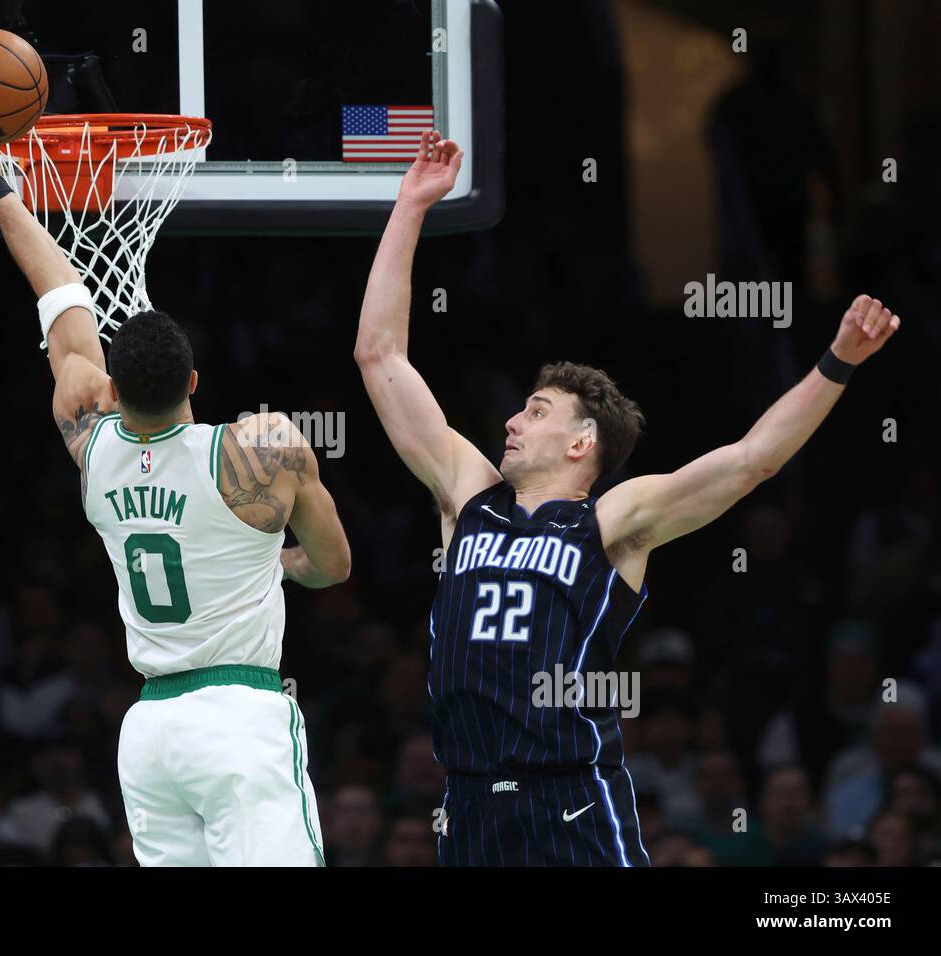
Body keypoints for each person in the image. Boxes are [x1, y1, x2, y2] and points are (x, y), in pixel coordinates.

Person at [354, 129, 902, 866]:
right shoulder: (467, 494)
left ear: (584, 443)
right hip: (471, 800)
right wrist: (410, 206)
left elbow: (750, 463)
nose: (514, 421)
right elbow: (379, 355)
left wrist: (837, 362)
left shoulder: (611, 521)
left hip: (571, 797)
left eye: (538, 411)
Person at [0, 113, 351, 866]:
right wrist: (275, 564)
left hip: (150, 732)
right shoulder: (265, 450)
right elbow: (334, 565)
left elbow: (58, 292)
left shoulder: (89, 437)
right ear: (194, 381)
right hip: (238, 715)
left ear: (113, 387)